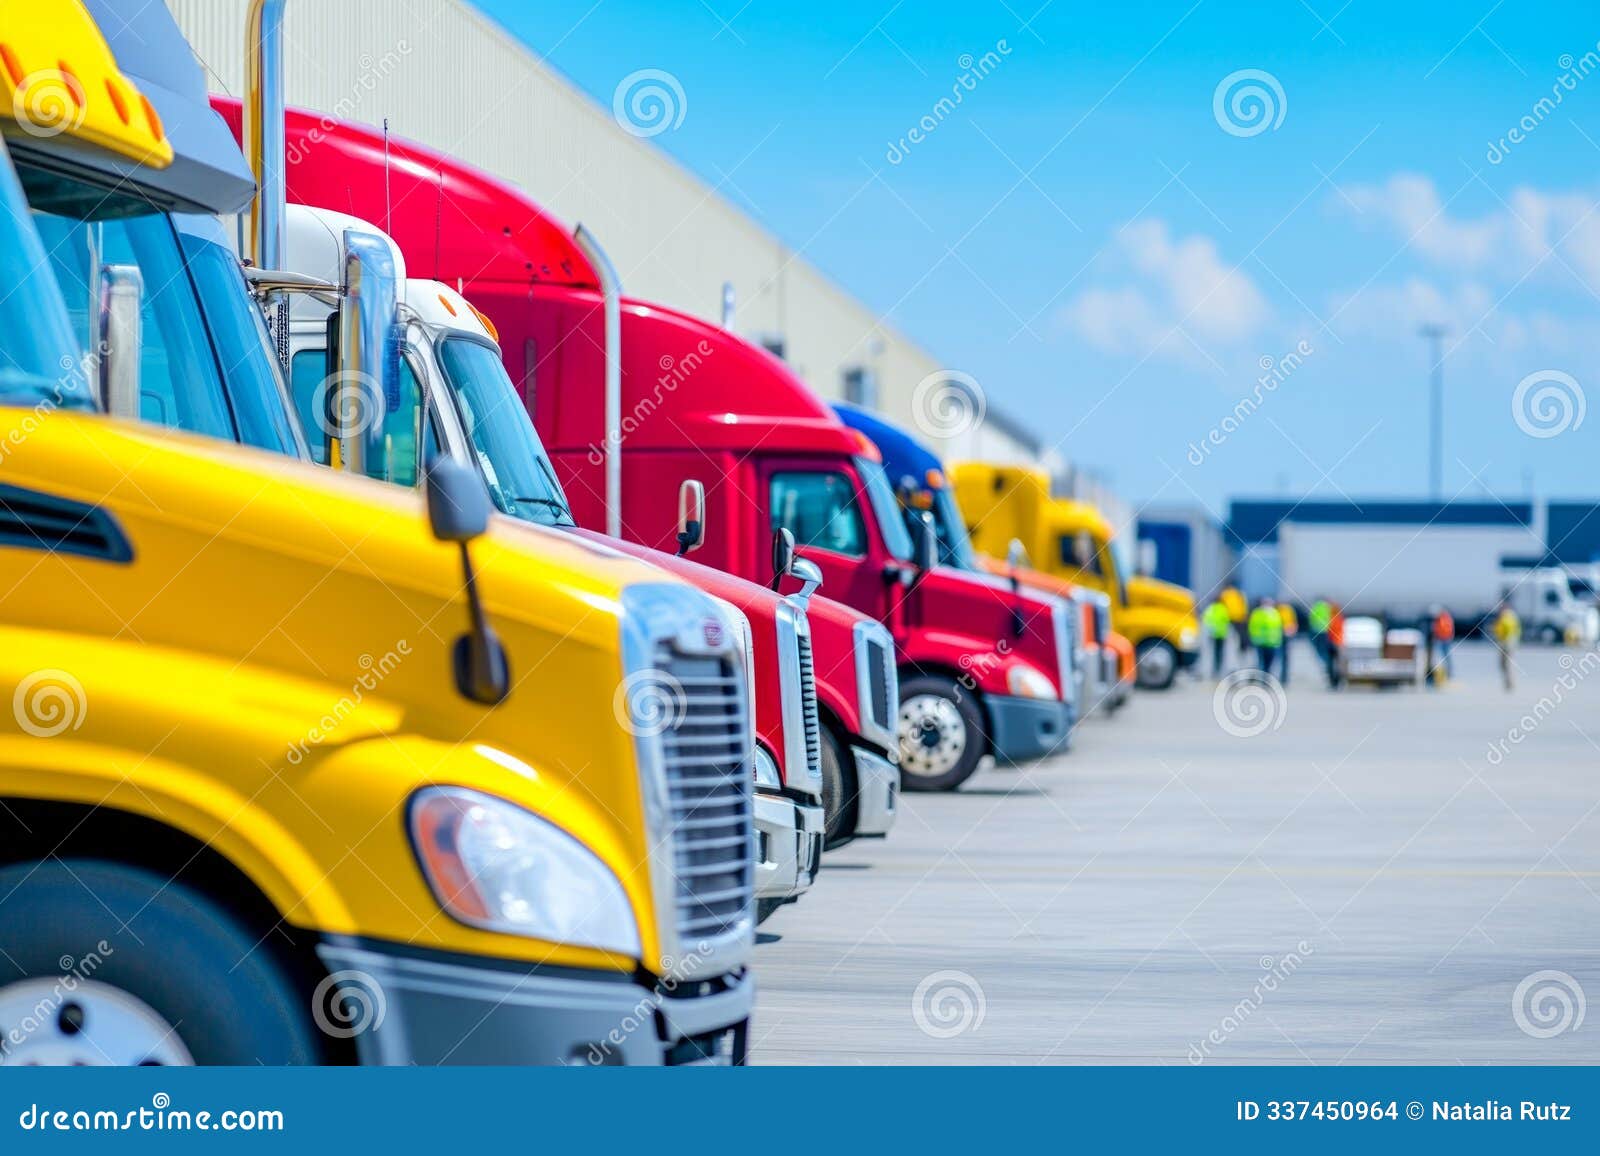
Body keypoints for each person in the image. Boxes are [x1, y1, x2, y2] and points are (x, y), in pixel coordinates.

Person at [1248, 597, 1284, 678]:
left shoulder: (1275, 613)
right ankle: (1263, 678)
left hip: (1273, 642)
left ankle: (1266, 677)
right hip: (1261, 642)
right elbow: (1252, 627)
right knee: (1262, 662)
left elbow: (1278, 627)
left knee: (1270, 662)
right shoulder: (1257, 613)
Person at [1493, 601, 1521, 691]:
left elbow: (1505, 628)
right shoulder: (1511, 616)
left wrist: (1500, 634)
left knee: (1506, 664)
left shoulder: (1506, 616)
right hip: (1509, 642)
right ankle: (1509, 683)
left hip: (1506, 642)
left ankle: (1510, 683)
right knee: (1505, 664)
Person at [1202, 597, 1232, 678]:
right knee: (1220, 654)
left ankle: (1213, 671)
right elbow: (1227, 621)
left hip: (1213, 634)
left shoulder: (1211, 608)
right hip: (1221, 634)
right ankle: (1218, 670)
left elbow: (1206, 620)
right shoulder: (1223, 609)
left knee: (1212, 653)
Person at [1309, 596, 1333, 677]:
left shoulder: (1315, 607)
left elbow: (1311, 618)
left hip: (1316, 630)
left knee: (1319, 649)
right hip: (1325, 630)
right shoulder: (1326, 607)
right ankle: (1326, 662)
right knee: (1324, 649)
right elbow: (1330, 618)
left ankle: (1324, 662)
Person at [1432, 605, 1455, 685]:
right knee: (1442, 657)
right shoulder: (1442, 619)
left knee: (1445, 657)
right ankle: (1443, 673)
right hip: (1443, 639)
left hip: (1444, 639)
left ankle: (1447, 673)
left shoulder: (1444, 618)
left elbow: (1444, 629)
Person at [1277, 602, 1299, 687]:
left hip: (1285, 636)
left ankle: (1284, 677)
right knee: (1282, 658)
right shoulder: (1279, 611)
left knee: (1284, 658)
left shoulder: (1287, 611)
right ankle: (1282, 677)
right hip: (1278, 636)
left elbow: (1293, 623)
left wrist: (1292, 631)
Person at [1326, 602, 1345, 689]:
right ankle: (1336, 681)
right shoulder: (1339, 619)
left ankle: (1335, 682)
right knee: (1337, 664)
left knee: (1334, 664)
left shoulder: (1333, 619)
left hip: (1334, 643)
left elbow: (1331, 632)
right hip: (1338, 643)